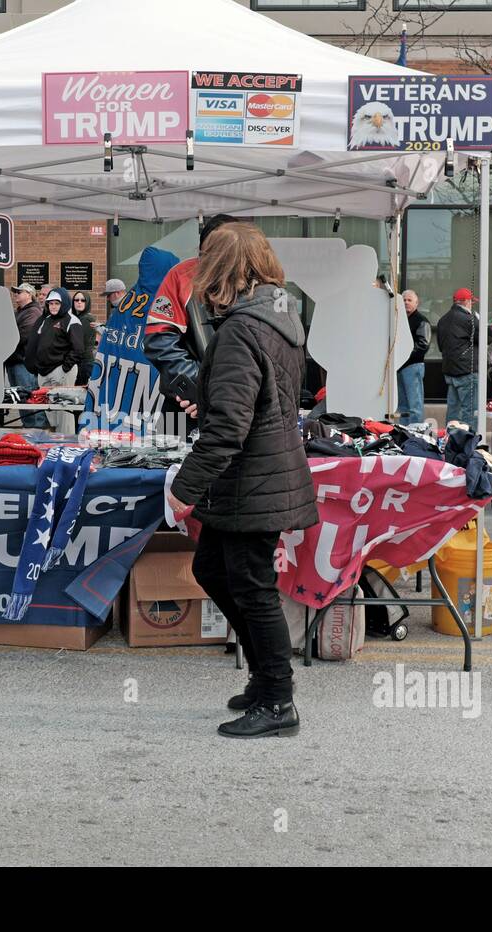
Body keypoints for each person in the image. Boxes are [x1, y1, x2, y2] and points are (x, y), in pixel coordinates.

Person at [165, 222, 317, 740]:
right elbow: (258, 401)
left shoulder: (240, 330)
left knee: (252, 588)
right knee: (215, 569)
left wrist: (183, 488)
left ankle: (277, 700)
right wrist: (207, 396)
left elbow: (230, 426)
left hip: (251, 477)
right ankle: (265, 678)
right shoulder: (279, 317)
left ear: (219, 270)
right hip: (262, 471)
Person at [143, 214, 238, 403]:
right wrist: (200, 388)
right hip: (187, 401)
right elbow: (159, 341)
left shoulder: (254, 282)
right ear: (203, 249)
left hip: (237, 401)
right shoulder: (181, 276)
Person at [436, 288, 479, 430]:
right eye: (471, 302)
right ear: (466, 301)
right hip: (467, 370)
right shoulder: (469, 319)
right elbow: (488, 337)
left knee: (453, 410)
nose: (472, 305)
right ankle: (468, 441)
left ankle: (450, 441)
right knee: (470, 411)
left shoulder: (443, 319)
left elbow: (441, 345)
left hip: (450, 370)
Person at [6, 283, 47, 429]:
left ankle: (37, 429)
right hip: (14, 360)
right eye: (15, 292)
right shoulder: (19, 312)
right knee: (20, 398)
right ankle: (28, 428)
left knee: (30, 396)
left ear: (29, 294)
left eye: (19, 292)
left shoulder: (33, 312)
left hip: (24, 362)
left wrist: (5, 341)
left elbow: (23, 336)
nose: (16, 294)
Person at [25, 287, 84, 384]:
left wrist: (64, 368)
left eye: (57, 303)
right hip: (43, 372)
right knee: (43, 399)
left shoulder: (72, 320)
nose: (53, 306)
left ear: (64, 303)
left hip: (61, 371)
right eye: (51, 303)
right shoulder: (46, 319)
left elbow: (78, 349)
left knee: (62, 399)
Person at [397, 289, 430, 425]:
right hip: (399, 366)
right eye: (404, 300)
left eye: (409, 300)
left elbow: (423, 345)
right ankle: (403, 433)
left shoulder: (421, 321)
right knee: (402, 406)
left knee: (414, 406)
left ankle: (415, 435)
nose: (406, 302)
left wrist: (405, 357)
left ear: (417, 303)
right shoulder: (398, 320)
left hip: (413, 366)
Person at [71, 290, 96, 386]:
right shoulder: (76, 318)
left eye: (83, 300)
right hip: (78, 362)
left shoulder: (87, 319)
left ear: (87, 302)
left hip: (85, 363)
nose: (79, 302)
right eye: (76, 300)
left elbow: (79, 342)